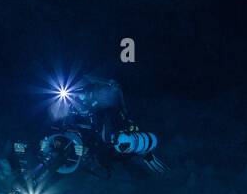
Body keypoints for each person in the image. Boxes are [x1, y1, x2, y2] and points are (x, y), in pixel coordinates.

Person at [13, 75, 166, 181]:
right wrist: (41, 143)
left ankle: (140, 162)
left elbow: (110, 143)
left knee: (114, 150)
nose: (77, 101)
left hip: (97, 146)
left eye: (81, 96)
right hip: (70, 148)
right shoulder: (61, 112)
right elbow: (45, 130)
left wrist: (88, 152)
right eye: (73, 97)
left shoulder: (104, 115)